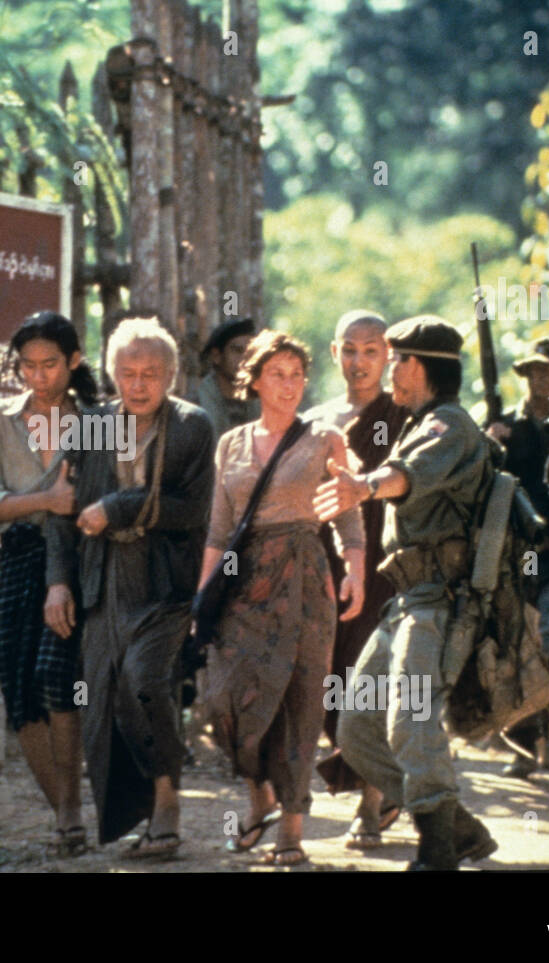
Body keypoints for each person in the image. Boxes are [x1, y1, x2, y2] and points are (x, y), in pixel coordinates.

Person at [315, 316, 500, 871]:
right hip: (406, 600)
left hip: (441, 602)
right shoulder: (419, 422)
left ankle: (437, 849)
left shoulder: (449, 427)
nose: (388, 369)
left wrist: (362, 487)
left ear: (417, 365)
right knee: (357, 726)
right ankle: (456, 825)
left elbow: (407, 476)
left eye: (395, 359)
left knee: (410, 720)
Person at [43, 316, 215, 857]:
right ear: (113, 373)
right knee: (105, 704)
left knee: (145, 683)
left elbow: (194, 509)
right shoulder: (93, 425)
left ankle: (167, 804)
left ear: (171, 375)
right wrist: (57, 584)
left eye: (151, 373)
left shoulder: (191, 425)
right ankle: (130, 817)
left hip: (163, 584)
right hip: (99, 582)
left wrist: (118, 507)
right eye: (128, 373)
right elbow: (58, 510)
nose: (139, 385)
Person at [199, 330, 366, 866]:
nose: (290, 384)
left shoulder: (324, 437)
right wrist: (201, 599)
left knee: (300, 702)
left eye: (297, 374)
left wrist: (355, 571)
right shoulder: (231, 444)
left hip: (305, 578)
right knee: (225, 701)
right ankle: (259, 799)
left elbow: (347, 511)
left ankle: (291, 830)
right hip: (244, 581)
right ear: (254, 380)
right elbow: (218, 530)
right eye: (278, 374)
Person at [0, 310, 94, 853]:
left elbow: (112, 492)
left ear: (74, 363)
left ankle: (72, 808)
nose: (39, 377)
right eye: (28, 367)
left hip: (76, 556)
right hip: (15, 554)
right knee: (16, 682)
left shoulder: (96, 421)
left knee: (55, 675)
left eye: (50, 365)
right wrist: (44, 500)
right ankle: (62, 806)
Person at [306, 310, 409, 847]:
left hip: (387, 567)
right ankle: (385, 784)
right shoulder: (320, 420)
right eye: (349, 349)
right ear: (333, 353)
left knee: (370, 683)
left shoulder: (406, 416)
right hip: (329, 564)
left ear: (388, 355)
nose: (359, 362)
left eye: (371, 351)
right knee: (329, 689)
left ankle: (369, 806)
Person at [486, 337, 549, 778]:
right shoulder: (502, 425)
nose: (548, 381)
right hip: (514, 553)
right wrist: (488, 444)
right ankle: (525, 744)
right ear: (526, 375)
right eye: (540, 372)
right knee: (515, 644)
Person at [198, 318, 261, 440]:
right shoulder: (196, 407)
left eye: (250, 353)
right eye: (237, 351)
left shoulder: (263, 406)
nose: (245, 359)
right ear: (216, 356)